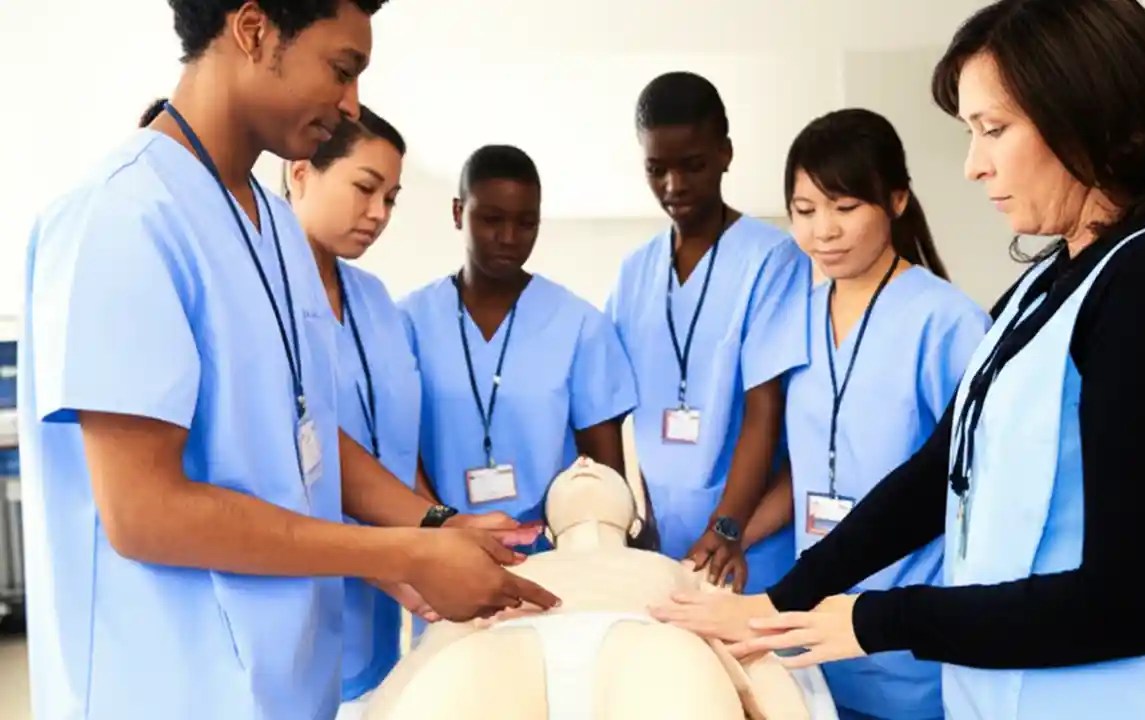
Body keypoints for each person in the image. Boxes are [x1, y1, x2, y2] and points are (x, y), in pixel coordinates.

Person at [653, 1, 1145, 718]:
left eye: (994, 129)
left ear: (1089, 115)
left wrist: (872, 621)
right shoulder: (1050, 283)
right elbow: (937, 473)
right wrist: (781, 601)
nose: (973, 165)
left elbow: (1132, 602)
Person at [18, 3, 556, 719]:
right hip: (167, 688)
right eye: (341, 69)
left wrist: (431, 526)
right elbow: (143, 510)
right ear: (252, 30)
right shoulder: (124, 218)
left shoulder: (270, 226)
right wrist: (394, 555)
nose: (349, 104)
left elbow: (301, 431)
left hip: (287, 680)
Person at [655, 108, 989, 719]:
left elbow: (967, 485)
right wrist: (732, 537)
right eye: (805, 212)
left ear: (896, 200)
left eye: (844, 207)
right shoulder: (795, 315)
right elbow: (808, 465)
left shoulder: (948, 324)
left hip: (906, 645)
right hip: (811, 642)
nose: (823, 232)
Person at [284, 106, 528, 718]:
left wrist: (440, 523)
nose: (379, 215)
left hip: (380, 610)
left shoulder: (373, 299)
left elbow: (390, 450)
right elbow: (284, 461)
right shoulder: (267, 296)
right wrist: (397, 556)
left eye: (391, 198)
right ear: (299, 173)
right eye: (365, 188)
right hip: (300, 591)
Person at [364, 457, 840, 720]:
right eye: (572, 470)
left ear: (635, 520)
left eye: (596, 468)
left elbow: (748, 647)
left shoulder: (672, 568)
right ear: (547, 527)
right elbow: (436, 647)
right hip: (509, 650)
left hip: (649, 646)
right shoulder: (496, 571)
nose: (583, 460)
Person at [607, 71, 811, 594]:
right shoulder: (635, 272)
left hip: (746, 542)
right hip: (660, 541)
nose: (674, 186)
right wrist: (625, 517)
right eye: (657, 169)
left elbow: (765, 408)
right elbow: (605, 406)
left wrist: (727, 525)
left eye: (692, 165)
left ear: (725, 153)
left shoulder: (773, 259)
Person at [400, 144, 637, 552]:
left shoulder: (579, 325)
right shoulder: (407, 323)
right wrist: (440, 528)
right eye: (492, 220)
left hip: (561, 559)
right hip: (448, 554)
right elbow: (397, 449)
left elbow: (605, 475)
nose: (509, 238)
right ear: (458, 213)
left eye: (526, 223)